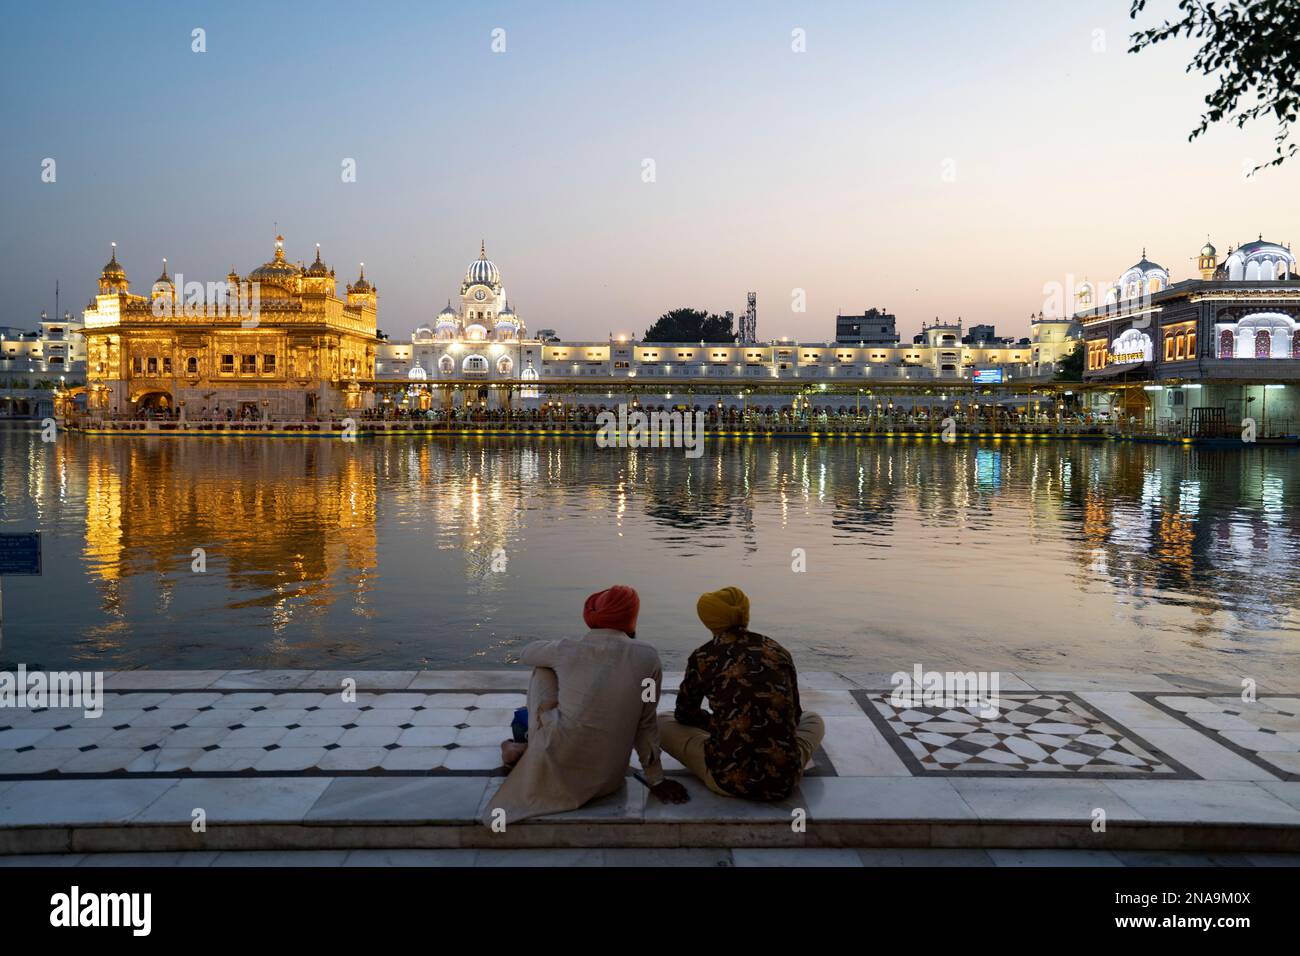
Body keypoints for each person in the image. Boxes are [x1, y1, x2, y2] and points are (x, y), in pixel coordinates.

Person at [481, 585, 688, 827]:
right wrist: (657, 779)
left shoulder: (567, 649)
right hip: (608, 780)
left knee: (543, 669)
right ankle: (525, 748)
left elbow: (527, 653)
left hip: (556, 771)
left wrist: (560, 648)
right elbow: (646, 722)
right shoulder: (649, 657)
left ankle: (524, 748)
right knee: (636, 706)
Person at [658, 587, 824, 801]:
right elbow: (795, 716)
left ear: (708, 620)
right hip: (783, 779)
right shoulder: (776, 650)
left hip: (728, 780)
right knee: (814, 720)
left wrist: (719, 725)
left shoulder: (703, 656)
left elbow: (684, 714)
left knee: (662, 722)